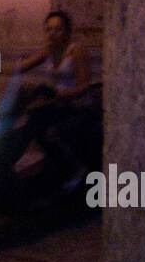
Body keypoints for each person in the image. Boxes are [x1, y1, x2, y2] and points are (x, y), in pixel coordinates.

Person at [14, 10, 94, 190]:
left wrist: (66, 93)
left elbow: (85, 85)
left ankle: (77, 169)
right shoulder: (48, 50)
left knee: (51, 132)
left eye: (58, 29)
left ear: (67, 31)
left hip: (78, 106)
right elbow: (20, 67)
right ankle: (54, 166)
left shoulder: (76, 51)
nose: (53, 33)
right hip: (59, 105)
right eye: (49, 29)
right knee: (31, 124)